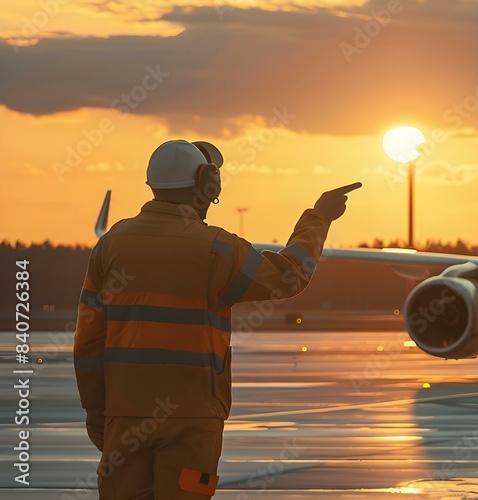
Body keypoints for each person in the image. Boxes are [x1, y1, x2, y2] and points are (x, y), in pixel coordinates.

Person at [73, 139, 360, 498]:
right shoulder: (217, 248)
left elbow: (87, 341)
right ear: (206, 184)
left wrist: (99, 413)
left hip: (124, 416)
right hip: (192, 419)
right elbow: (290, 275)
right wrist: (319, 217)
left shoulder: (110, 245)